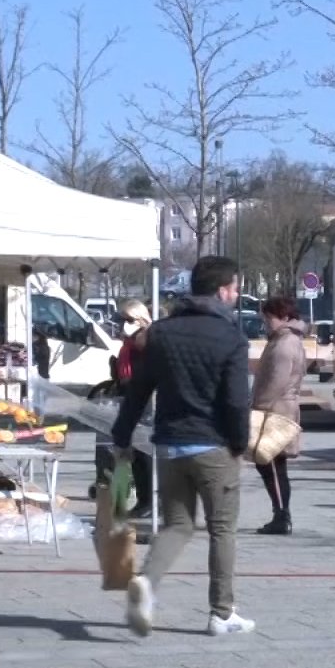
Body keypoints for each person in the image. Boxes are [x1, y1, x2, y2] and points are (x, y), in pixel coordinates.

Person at [112, 256, 256, 637]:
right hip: (214, 446)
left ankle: (146, 582)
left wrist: (122, 436)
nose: (237, 295)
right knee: (222, 529)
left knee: (177, 524)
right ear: (223, 290)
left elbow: (138, 390)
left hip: (170, 446)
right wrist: (240, 444)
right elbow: (237, 400)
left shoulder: (162, 333)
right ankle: (222, 612)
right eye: (236, 288)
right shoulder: (231, 337)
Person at [93, 299, 155, 520]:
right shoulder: (131, 341)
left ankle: (148, 500)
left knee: (142, 451)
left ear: (140, 319)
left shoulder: (147, 339)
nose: (124, 324)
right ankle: (142, 499)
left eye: (129, 320)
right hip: (129, 394)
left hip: (144, 398)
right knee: (135, 452)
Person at [251, 295, 307, 535]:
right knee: (272, 464)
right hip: (279, 408)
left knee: (271, 464)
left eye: (269, 318)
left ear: (283, 318)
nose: (266, 323)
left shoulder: (284, 344)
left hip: (275, 409)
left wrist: (258, 404)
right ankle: (280, 513)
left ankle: (282, 515)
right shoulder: (286, 339)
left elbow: (276, 380)